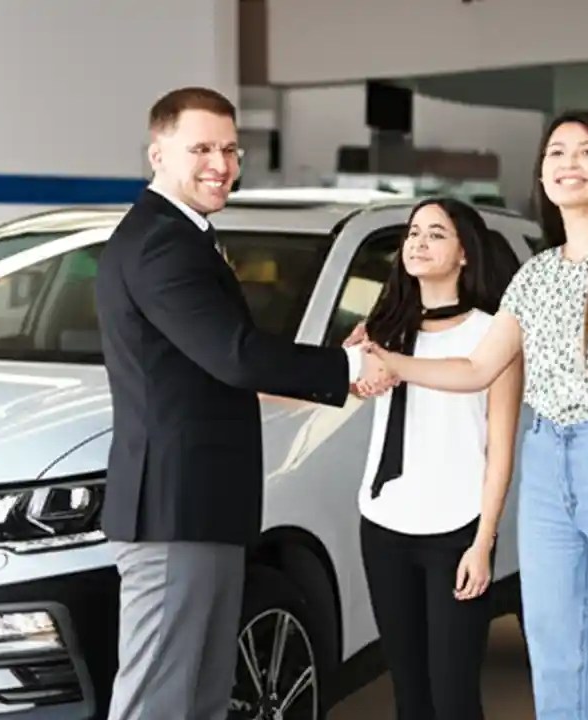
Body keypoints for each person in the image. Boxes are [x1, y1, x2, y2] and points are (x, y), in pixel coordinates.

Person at [363, 109, 588, 719]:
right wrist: (390, 360)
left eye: (587, 152)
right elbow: (474, 369)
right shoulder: (535, 276)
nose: (569, 163)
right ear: (541, 175)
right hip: (545, 465)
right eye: (556, 152)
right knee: (556, 652)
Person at [94, 86, 394, 720]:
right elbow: (234, 354)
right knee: (159, 699)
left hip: (201, 509)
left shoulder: (185, 236)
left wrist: (335, 363)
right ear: (158, 154)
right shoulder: (161, 243)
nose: (221, 163)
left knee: (199, 696)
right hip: (175, 515)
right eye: (200, 147)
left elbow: (219, 363)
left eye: (229, 148)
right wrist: (348, 367)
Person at [345, 197, 522, 719]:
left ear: (465, 253)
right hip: (383, 523)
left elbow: (501, 448)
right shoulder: (383, 328)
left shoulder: (493, 334)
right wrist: (354, 362)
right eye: (413, 233)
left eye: (436, 234)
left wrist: (483, 542)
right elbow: (355, 387)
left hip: (455, 531)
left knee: (454, 697)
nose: (418, 243)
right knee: (409, 693)